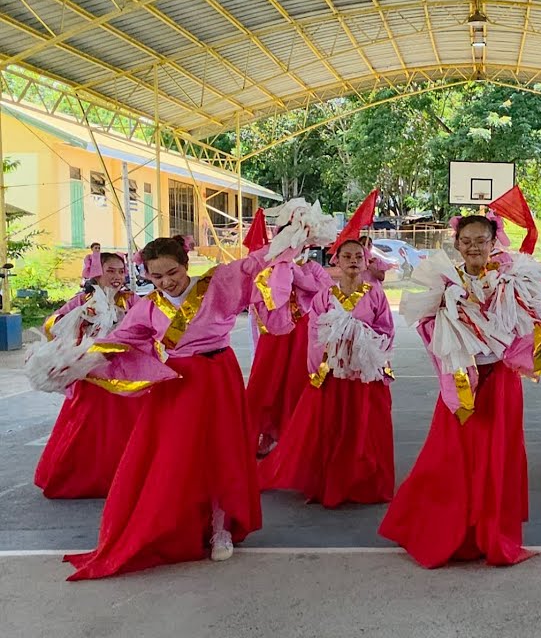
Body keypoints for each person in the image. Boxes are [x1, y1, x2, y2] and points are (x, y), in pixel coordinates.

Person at [62, 214, 323, 580]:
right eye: (156, 276)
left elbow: (256, 262)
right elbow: (120, 341)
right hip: (176, 386)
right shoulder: (147, 307)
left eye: (172, 272)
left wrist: (291, 239)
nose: (166, 281)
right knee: (175, 456)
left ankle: (221, 527)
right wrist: (76, 359)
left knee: (221, 452)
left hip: (217, 378)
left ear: (186, 264)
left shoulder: (219, 283)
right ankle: (175, 520)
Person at [382, 215, 541, 567]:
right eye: (467, 241)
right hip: (462, 382)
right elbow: (429, 331)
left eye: (481, 240)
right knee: (450, 456)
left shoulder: (513, 280)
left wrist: (518, 344)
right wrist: (450, 318)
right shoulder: (445, 283)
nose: (474, 247)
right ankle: (448, 531)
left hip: (501, 383)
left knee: (497, 457)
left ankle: (490, 533)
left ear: (494, 242)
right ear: (457, 244)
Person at [259, 239, 396, 508]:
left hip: (363, 374)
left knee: (364, 429)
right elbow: (314, 333)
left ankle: (363, 482)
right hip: (333, 373)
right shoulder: (325, 296)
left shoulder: (376, 294)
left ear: (366, 262)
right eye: (347, 256)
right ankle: (329, 482)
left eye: (358, 256)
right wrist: (317, 367)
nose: (353, 260)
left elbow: (386, 330)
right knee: (332, 428)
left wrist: (362, 341)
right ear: (337, 261)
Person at [33, 253, 141, 498]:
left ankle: (129, 476)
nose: (117, 276)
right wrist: (79, 322)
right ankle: (84, 477)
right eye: (110, 271)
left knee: (128, 425)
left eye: (121, 271)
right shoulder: (82, 300)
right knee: (88, 425)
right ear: (97, 273)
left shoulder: (131, 300)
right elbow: (52, 325)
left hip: (126, 373)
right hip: (91, 374)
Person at [246, 245, 330, 457]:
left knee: (296, 381)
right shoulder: (267, 267)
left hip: (302, 331)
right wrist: (283, 270)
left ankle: (293, 436)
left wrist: (298, 275)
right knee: (266, 382)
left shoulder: (312, 267)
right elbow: (265, 297)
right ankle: (263, 432)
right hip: (274, 333)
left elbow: (326, 290)